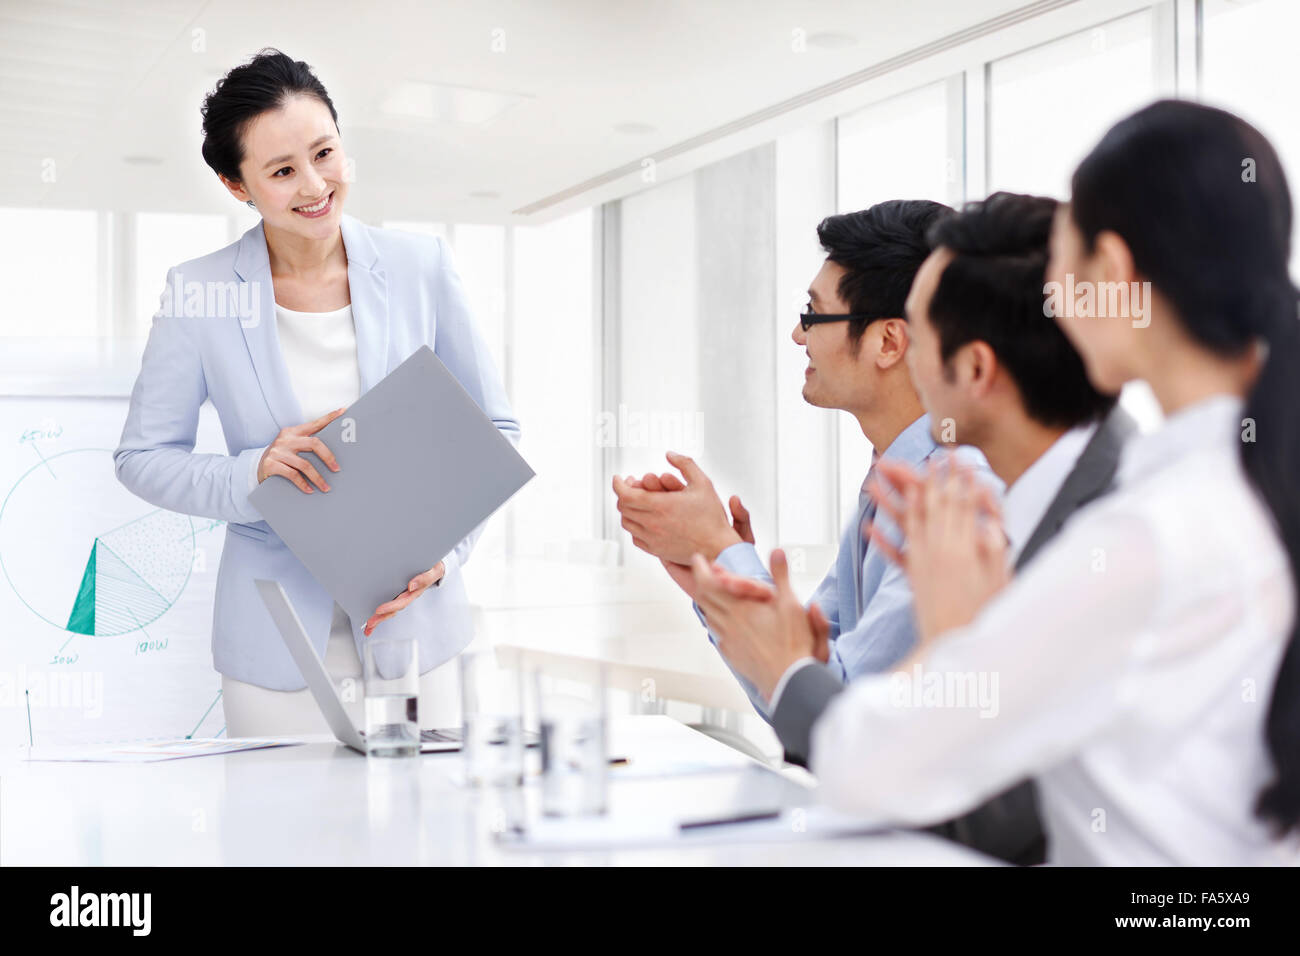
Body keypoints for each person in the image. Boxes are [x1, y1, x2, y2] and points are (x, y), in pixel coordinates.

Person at [690, 100, 1300, 865]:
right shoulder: (1231, 489)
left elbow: (871, 769)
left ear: (1109, 275)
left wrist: (957, 636)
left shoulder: (1147, 533)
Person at [114, 49, 519, 736]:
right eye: (281, 171)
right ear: (235, 185)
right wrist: (254, 473)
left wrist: (447, 556)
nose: (314, 185)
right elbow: (141, 457)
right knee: (282, 837)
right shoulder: (198, 293)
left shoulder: (422, 267)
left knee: (428, 837)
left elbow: (494, 434)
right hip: (276, 644)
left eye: (325, 153)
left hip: (417, 632)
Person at [774, 191, 1135, 864]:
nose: (906, 354)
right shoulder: (1033, 500)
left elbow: (986, 818)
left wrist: (950, 649)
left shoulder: (1107, 534)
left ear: (972, 368)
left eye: (918, 328)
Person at [612, 200, 997, 719]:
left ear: (888, 341)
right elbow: (801, 680)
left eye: (813, 314)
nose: (799, 334)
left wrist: (719, 547)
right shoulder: (891, 482)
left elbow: (838, 716)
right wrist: (714, 573)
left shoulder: (955, 496)